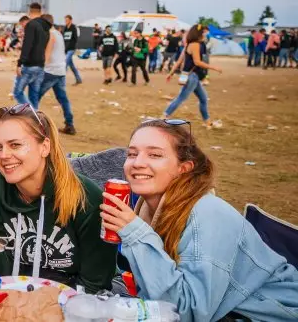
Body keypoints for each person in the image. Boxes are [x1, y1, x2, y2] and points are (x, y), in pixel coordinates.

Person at [101, 119, 298, 321]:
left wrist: (135, 234)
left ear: (183, 168)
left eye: (155, 155)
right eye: (132, 154)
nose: (138, 162)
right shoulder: (150, 211)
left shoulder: (207, 214)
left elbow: (189, 313)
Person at [0, 103, 115, 292]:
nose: (3, 155)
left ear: (44, 147)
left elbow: (95, 285)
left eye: (15, 145)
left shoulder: (86, 199)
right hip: (9, 301)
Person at [165, 25, 221, 127]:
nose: (205, 34)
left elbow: (179, 62)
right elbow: (197, 62)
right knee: (181, 98)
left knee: (203, 98)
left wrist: (170, 73)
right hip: (192, 76)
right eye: (204, 32)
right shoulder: (195, 45)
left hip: (190, 76)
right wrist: (214, 68)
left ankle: (207, 121)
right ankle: (165, 116)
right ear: (199, 33)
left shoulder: (189, 45)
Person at [35, 14, 76, 134]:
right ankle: (70, 125)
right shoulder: (58, 33)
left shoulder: (50, 35)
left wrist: (40, 68)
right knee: (63, 99)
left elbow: (47, 54)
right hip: (61, 70)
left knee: (35, 96)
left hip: (51, 71)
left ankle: (31, 124)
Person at [14, 3, 49, 107]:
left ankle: (32, 113)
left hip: (30, 65)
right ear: (40, 11)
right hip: (40, 65)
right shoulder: (46, 26)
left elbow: (27, 45)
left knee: (18, 92)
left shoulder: (31, 24)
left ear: (30, 11)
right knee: (34, 96)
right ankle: (36, 120)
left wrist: (20, 63)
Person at [62, 15, 82, 85]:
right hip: (66, 49)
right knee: (71, 66)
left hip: (71, 49)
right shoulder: (65, 28)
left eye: (67, 20)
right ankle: (79, 79)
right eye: (65, 20)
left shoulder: (73, 27)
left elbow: (75, 39)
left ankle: (62, 82)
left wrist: (72, 47)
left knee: (65, 64)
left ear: (71, 20)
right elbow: (63, 39)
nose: (66, 21)